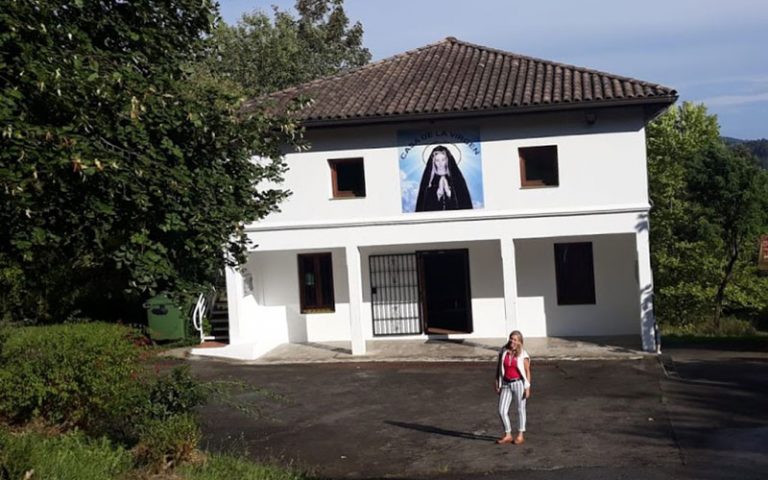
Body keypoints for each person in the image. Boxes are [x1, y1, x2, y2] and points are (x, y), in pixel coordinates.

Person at [494, 330, 531, 445]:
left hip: (518, 383)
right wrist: (497, 382)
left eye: (515, 339)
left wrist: (527, 387)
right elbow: (499, 368)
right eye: (511, 338)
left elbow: (527, 371)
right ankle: (508, 434)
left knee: (520, 409)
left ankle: (520, 435)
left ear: (520, 342)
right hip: (505, 383)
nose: (512, 341)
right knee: (502, 410)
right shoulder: (504, 351)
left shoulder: (523, 354)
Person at [415, 145, 472, 211]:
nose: (440, 163)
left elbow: (463, 201)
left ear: (447, 160)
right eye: (437, 160)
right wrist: (438, 193)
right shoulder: (429, 180)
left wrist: (449, 192)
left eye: (443, 159)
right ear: (433, 161)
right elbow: (423, 204)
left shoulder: (456, 178)